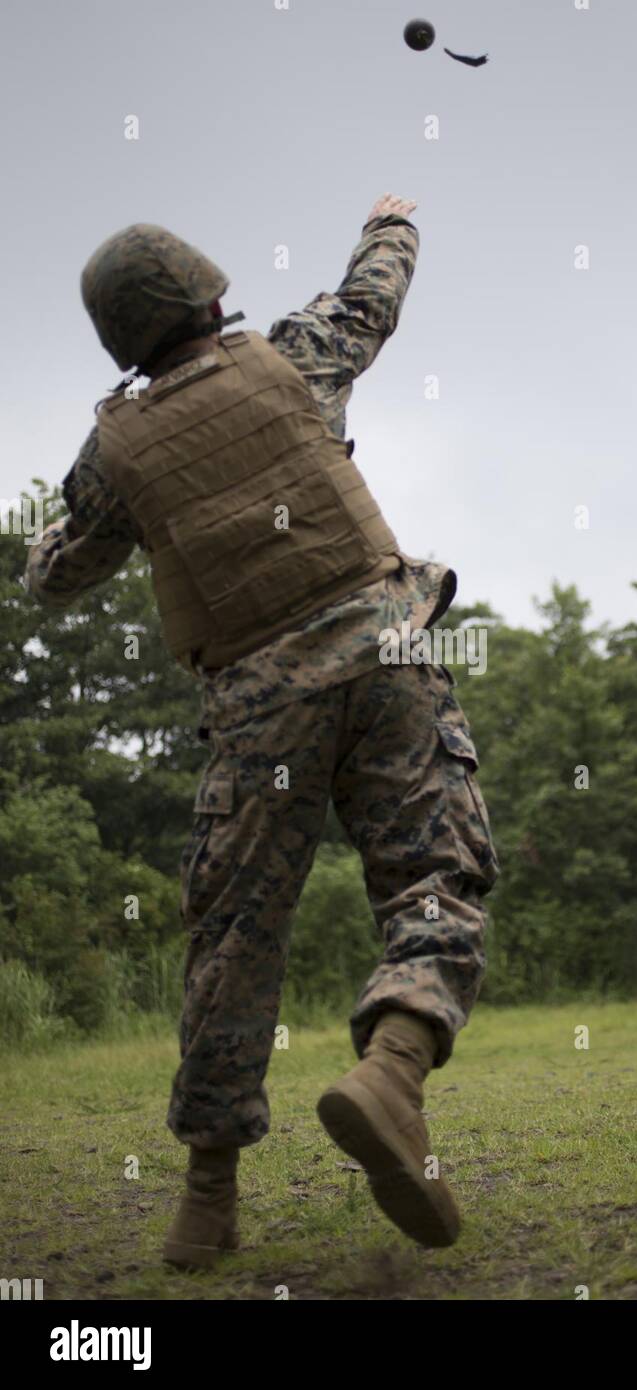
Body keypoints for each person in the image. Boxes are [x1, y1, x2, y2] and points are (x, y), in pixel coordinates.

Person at [25, 193, 499, 1268]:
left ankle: (205, 1199)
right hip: (384, 655)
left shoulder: (117, 452)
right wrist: (391, 222)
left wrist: (86, 520)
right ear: (206, 291)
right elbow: (374, 299)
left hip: (257, 706)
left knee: (233, 938)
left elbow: (56, 571)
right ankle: (392, 1066)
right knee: (435, 874)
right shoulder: (292, 357)